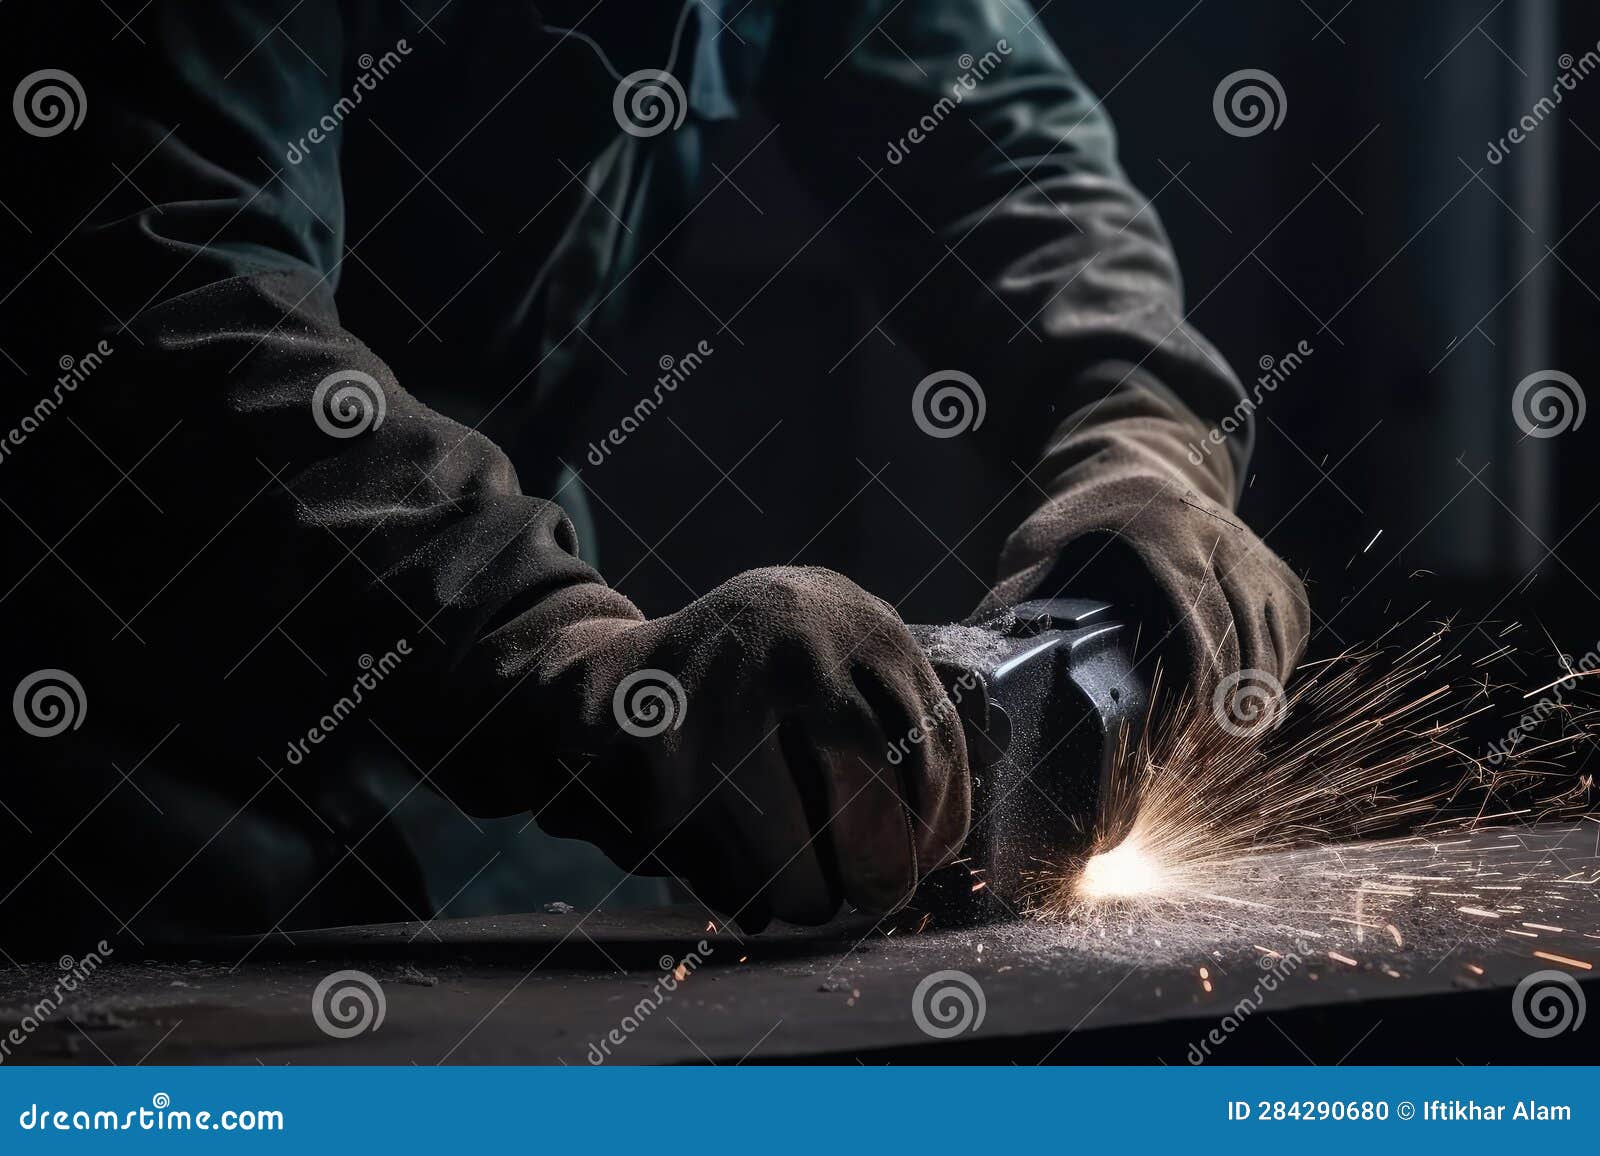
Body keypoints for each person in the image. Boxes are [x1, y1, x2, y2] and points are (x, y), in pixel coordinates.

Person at [0, 1, 1306, 941]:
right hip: (122, 733)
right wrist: (569, 652)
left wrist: (1146, 451)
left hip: (498, 759)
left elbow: (1019, 168)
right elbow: (169, 287)